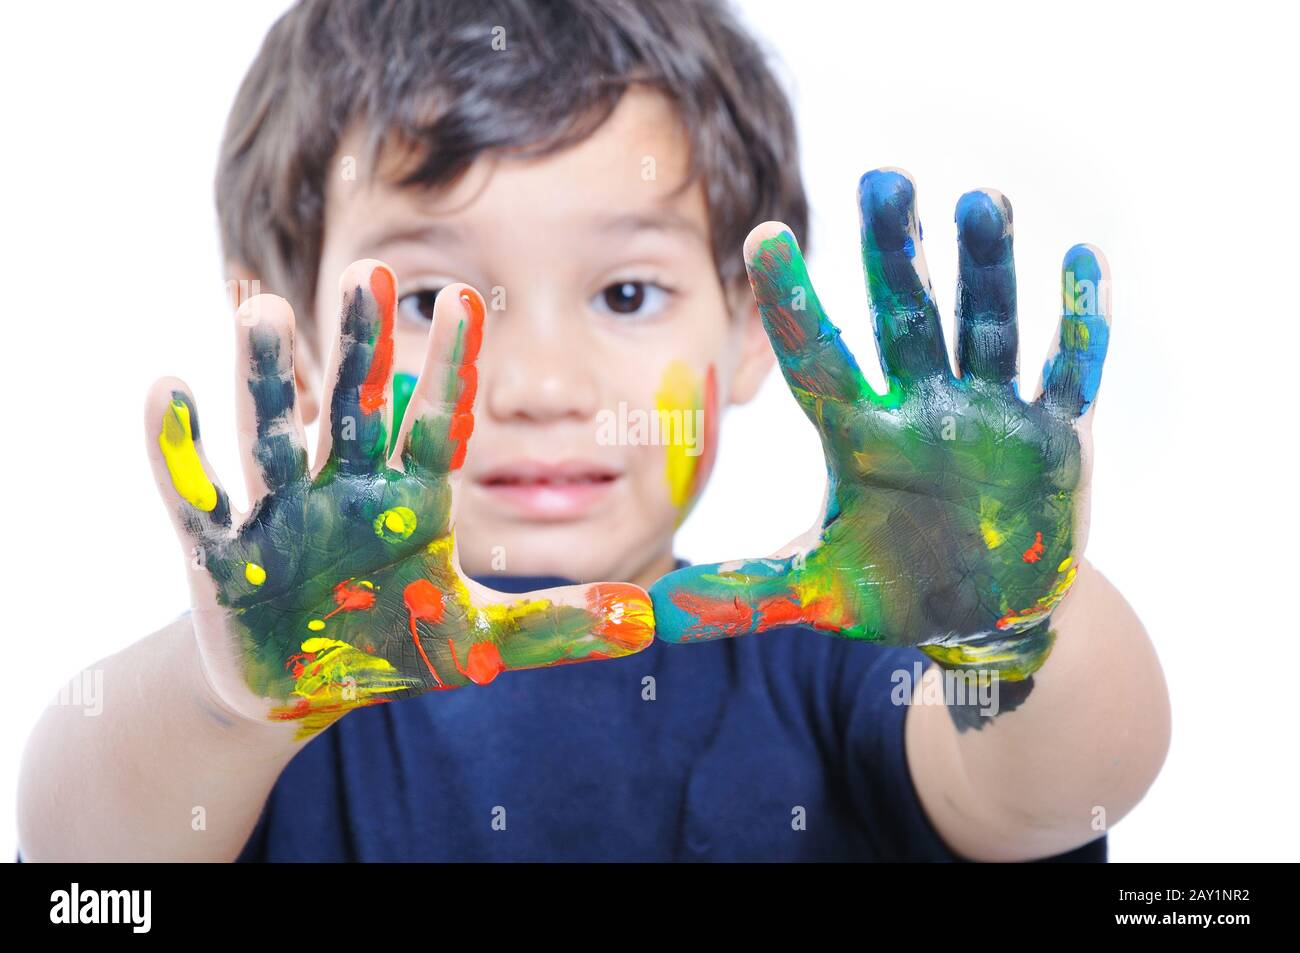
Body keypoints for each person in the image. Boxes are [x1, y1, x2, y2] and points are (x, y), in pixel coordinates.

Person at [16, 0, 1169, 862]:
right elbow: (81, 861)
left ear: (751, 328)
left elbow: (1061, 786)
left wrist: (1021, 627)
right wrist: (228, 707)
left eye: (624, 294)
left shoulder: (841, 658)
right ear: (291, 344)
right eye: (430, 301)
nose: (540, 382)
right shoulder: (284, 700)